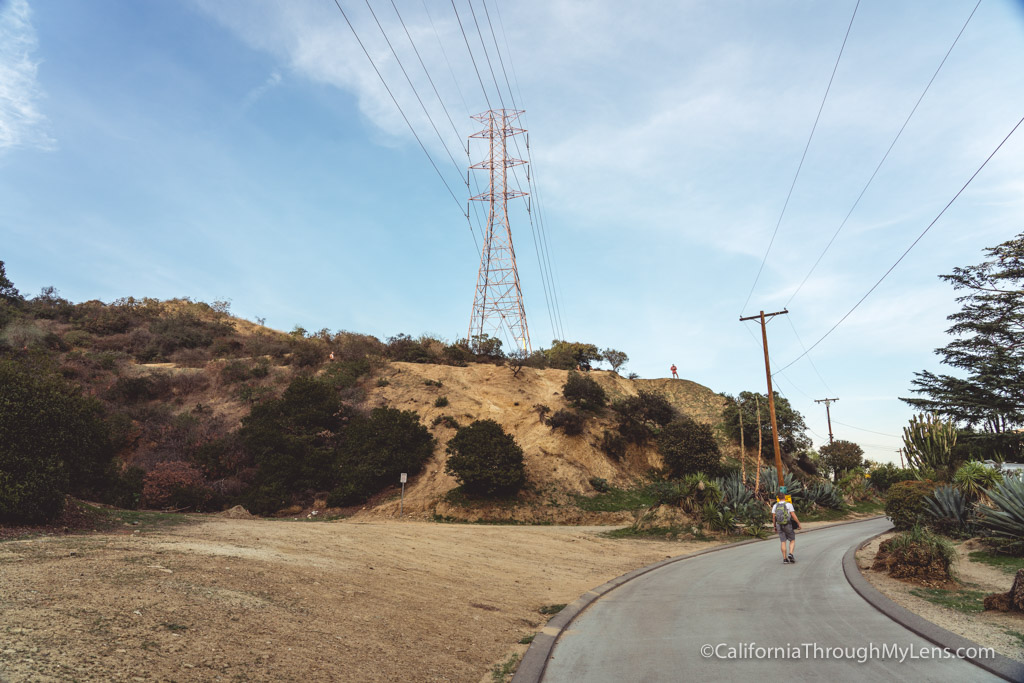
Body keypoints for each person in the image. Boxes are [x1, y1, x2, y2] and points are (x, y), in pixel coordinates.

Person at [771, 494, 801, 563]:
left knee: (783, 541)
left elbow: (773, 517)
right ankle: (790, 554)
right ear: (784, 497)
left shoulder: (775, 505)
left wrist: (774, 526)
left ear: (778, 498)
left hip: (779, 525)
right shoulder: (789, 504)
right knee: (792, 540)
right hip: (787, 524)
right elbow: (793, 515)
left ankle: (785, 559)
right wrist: (798, 523)